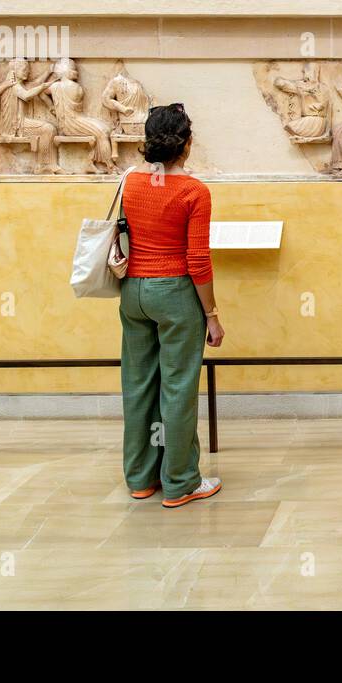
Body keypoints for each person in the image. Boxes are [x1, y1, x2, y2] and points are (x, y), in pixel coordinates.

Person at [118, 103, 224, 508]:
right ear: (187, 143)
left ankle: (141, 478)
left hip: (132, 293)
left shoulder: (128, 181)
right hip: (175, 294)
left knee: (138, 384)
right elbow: (198, 260)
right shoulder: (193, 191)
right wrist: (211, 315)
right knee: (177, 388)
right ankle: (180, 482)